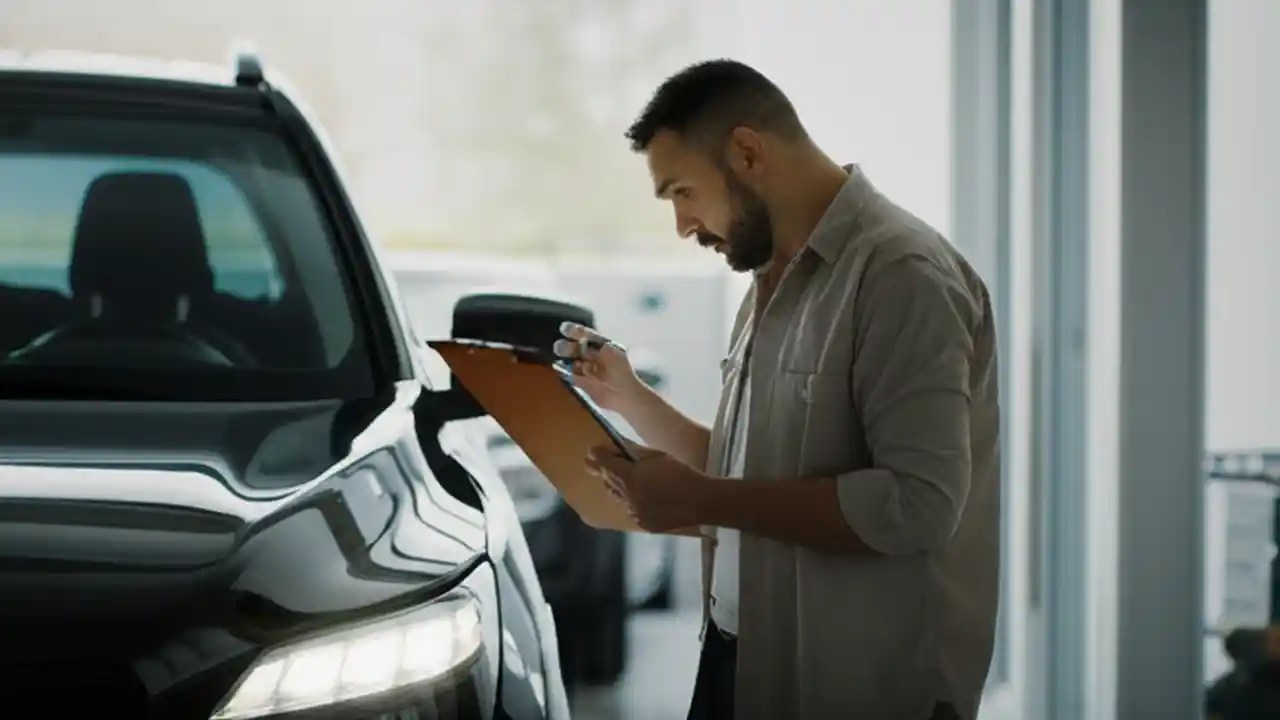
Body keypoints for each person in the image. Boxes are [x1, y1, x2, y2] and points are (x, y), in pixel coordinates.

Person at [556, 59, 1000, 720]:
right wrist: (629, 400)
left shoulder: (901, 275)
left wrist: (700, 498)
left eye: (682, 191)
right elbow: (748, 475)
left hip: (859, 689)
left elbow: (917, 504)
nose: (682, 225)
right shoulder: (770, 281)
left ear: (747, 153)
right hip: (742, 661)